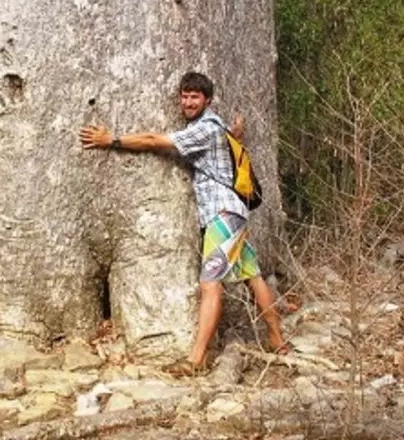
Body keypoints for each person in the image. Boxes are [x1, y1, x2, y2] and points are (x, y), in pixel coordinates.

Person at [79, 71, 288, 374]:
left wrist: (111, 140)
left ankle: (196, 360)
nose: (188, 102)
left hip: (222, 216)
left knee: (210, 284)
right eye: (185, 96)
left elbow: (154, 141)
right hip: (233, 214)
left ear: (207, 100)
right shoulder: (216, 126)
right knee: (252, 276)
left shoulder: (205, 129)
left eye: (195, 97)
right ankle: (277, 340)